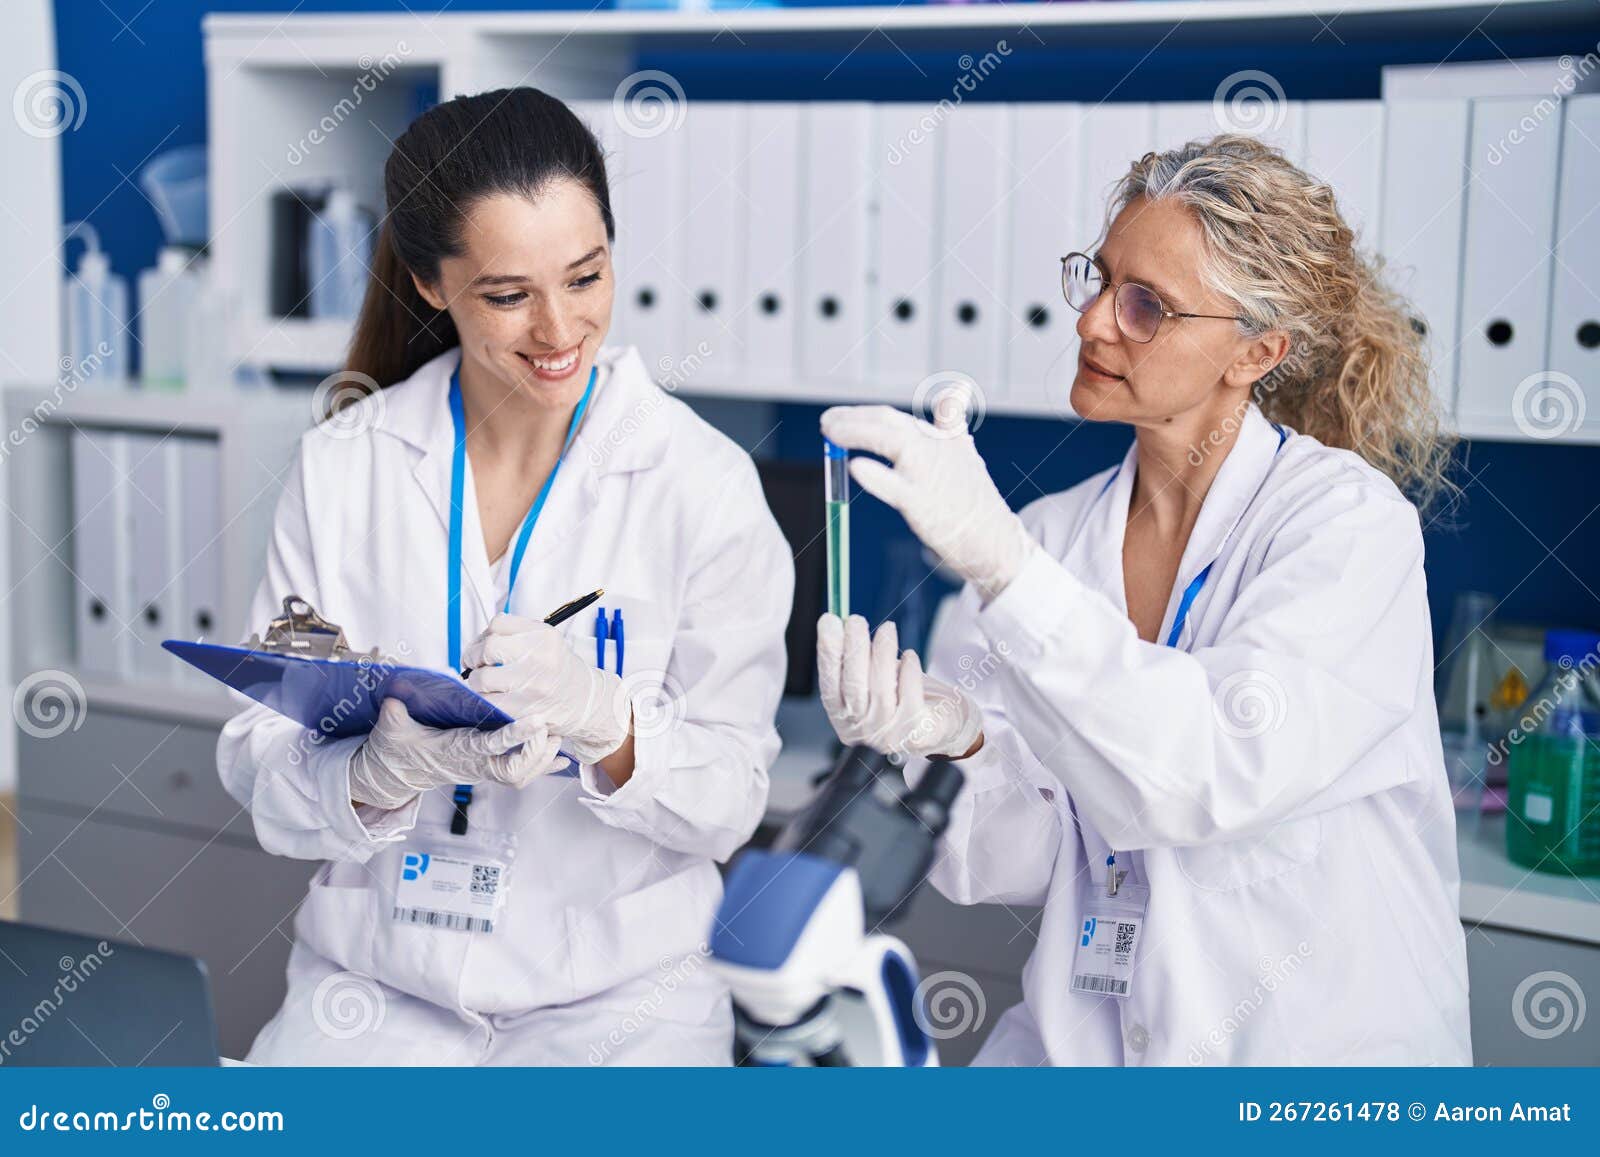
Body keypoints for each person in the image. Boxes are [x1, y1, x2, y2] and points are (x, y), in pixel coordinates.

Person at [816, 135, 1472, 1065]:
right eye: (1100, 279)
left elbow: (1207, 771)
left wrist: (1005, 569)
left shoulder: (1347, 529)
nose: (1092, 321)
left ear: (1257, 352)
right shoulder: (1050, 537)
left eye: (1146, 305)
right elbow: (1025, 854)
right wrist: (949, 740)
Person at [218, 88, 792, 1065]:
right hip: (375, 992)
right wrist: (369, 776)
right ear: (430, 283)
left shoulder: (701, 482)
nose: (559, 328)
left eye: (586, 276)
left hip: (617, 1006)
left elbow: (733, 797)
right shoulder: (346, 463)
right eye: (507, 295)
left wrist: (609, 724)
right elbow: (257, 750)